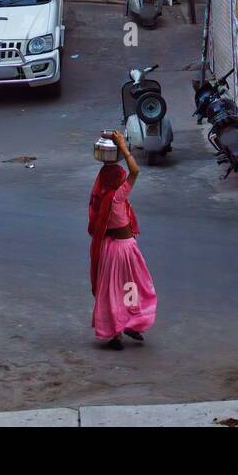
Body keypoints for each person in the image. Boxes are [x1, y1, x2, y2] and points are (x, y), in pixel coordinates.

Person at [88, 129, 157, 349]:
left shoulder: (101, 194)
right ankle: (130, 322)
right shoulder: (118, 195)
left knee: (112, 291)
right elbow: (135, 171)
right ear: (119, 181)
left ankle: (117, 331)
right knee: (132, 287)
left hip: (109, 249)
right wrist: (124, 148)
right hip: (125, 250)